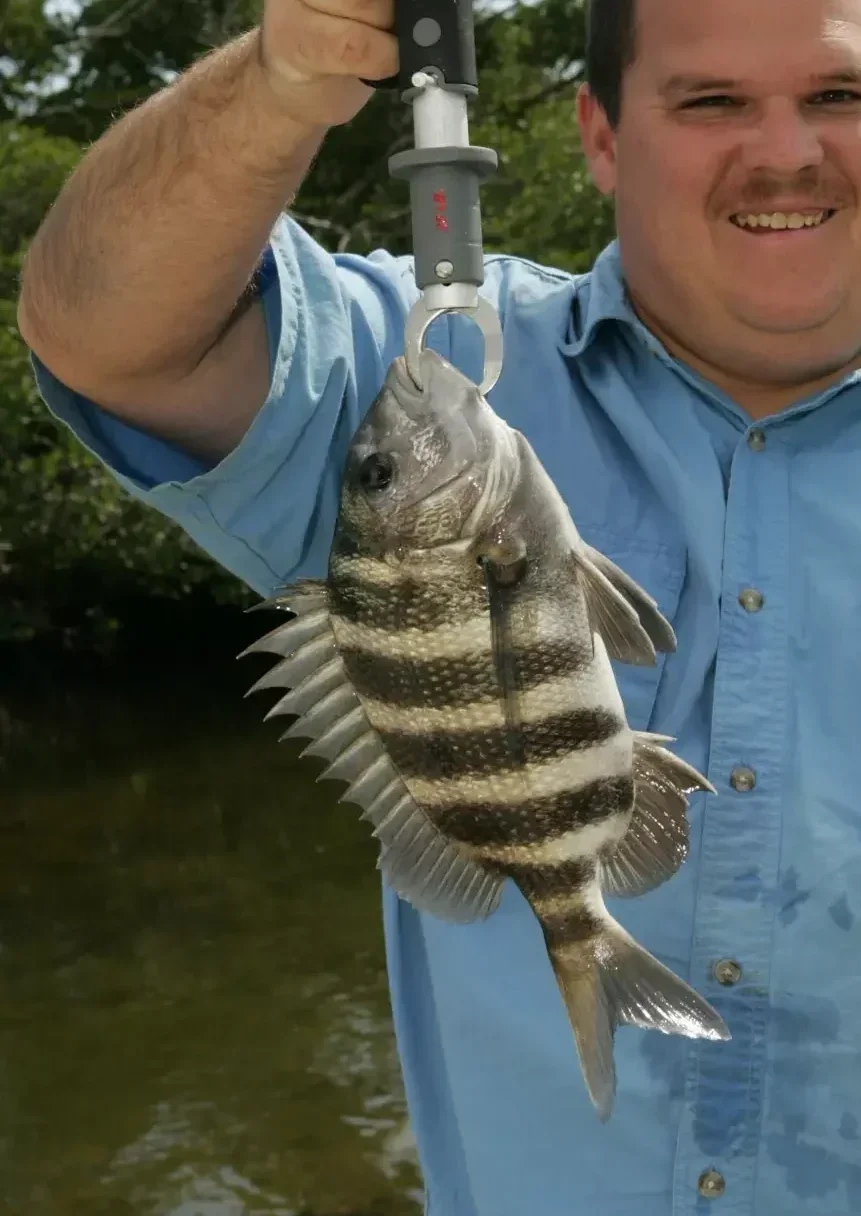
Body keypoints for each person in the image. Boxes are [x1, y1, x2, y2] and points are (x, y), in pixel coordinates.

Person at [15, 0, 861, 1210]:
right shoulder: (439, 359)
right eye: (711, 100)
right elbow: (105, 332)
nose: (785, 151)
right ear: (603, 138)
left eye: (839, 96)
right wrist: (289, 71)